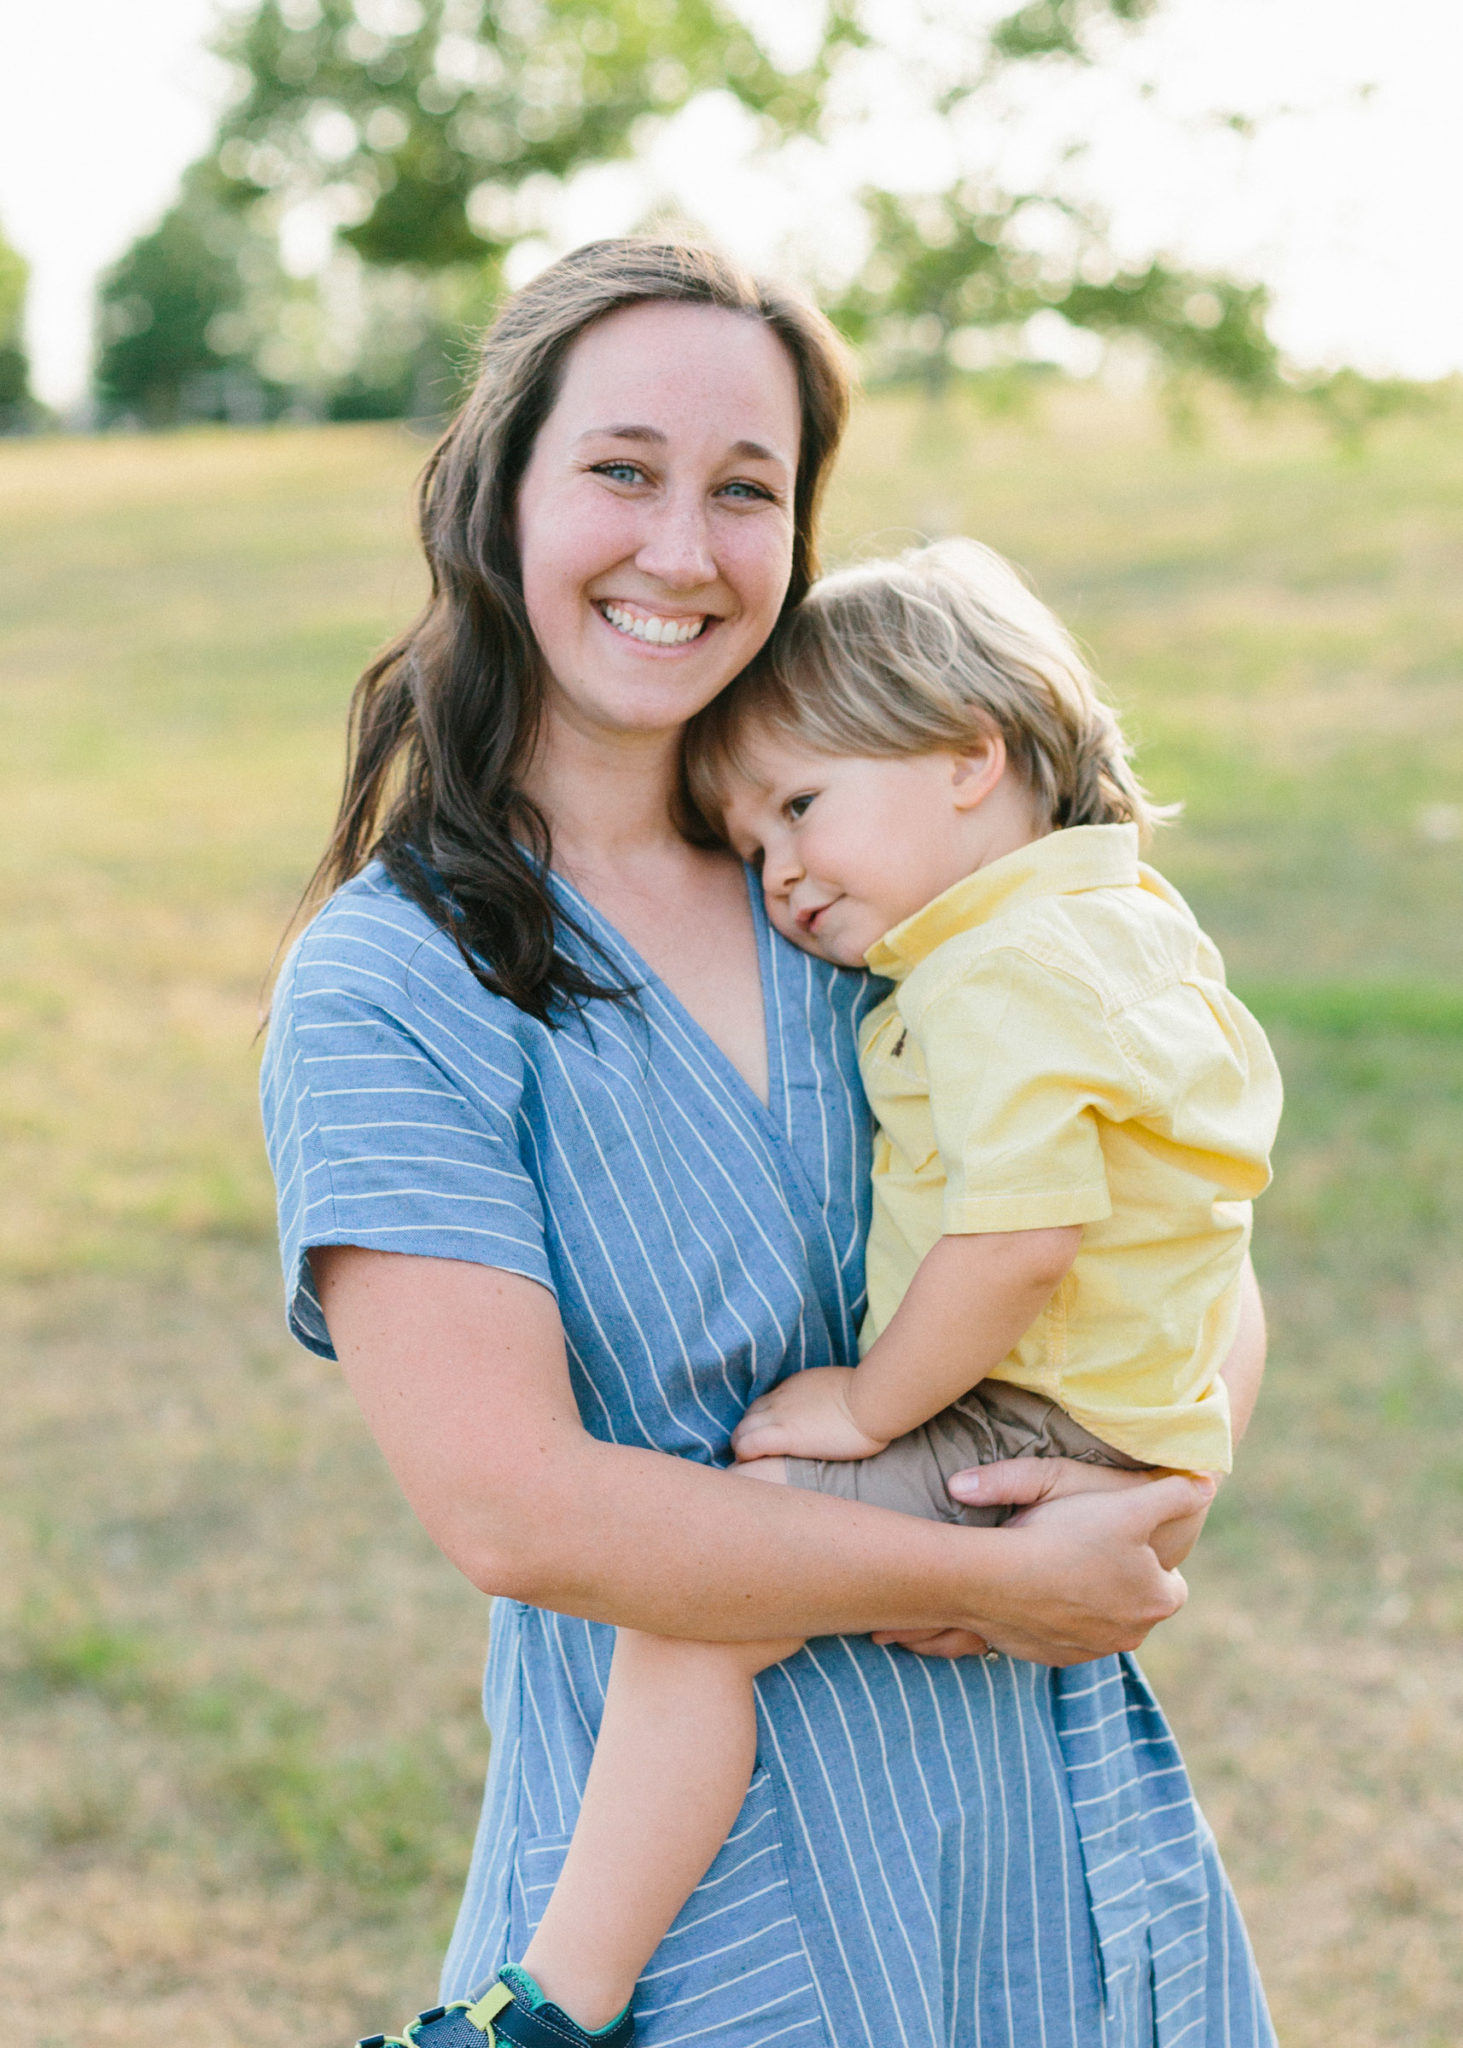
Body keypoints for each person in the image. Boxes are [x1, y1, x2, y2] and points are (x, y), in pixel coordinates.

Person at [260, 238, 1276, 2048]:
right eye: (624, 470)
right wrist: (993, 1575)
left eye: (749, 491)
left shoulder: (869, 881)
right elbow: (514, 1504)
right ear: (501, 498)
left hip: (1073, 1860)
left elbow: (1182, 1230)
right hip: (724, 1927)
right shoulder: (393, 983)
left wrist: (1155, 1498)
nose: (684, 549)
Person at [508, 535, 1283, 2038]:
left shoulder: (995, 973)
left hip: (1019, 1422)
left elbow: (1020, 1238)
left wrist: (869, 1405)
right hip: (1136, 1415)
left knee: (698, 1602)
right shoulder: (1135, 925)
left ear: (967, 758)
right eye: (750, 846)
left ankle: (560, 1995)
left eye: (801, 807)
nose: (783, 872)